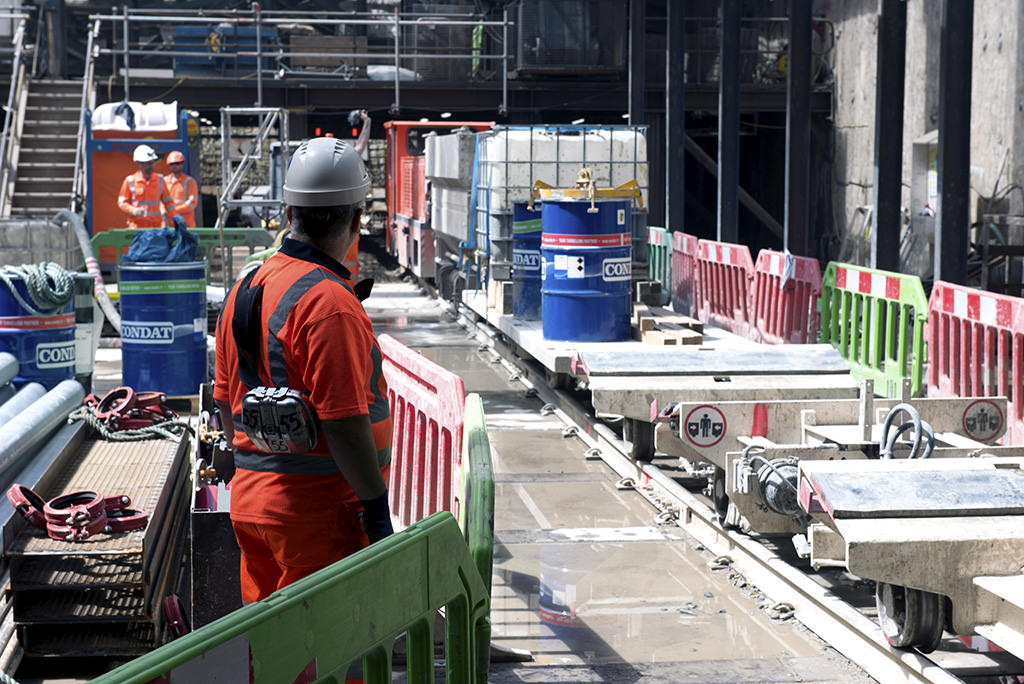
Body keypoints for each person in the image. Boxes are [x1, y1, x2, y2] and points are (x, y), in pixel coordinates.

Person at [213, 136, 393, 604]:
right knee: (333, 661)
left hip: (252, 506)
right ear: (357, 218)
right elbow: (345, 423)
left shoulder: (245, 287)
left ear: (289, 212)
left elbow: (224, 406)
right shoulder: (330, 304)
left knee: (275, 654)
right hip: (318, 516)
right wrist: (376, 513)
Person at [117, 144, 176, 229]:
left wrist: (175, 217)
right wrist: (133, 210)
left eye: (152, 163)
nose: (151, 166)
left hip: (156, 227)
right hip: (136, 227)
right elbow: (122, 202)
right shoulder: (130, 181)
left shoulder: (160, 180)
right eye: (148, 163)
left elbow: (168, 203)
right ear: (139, 164)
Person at [164, 150, 199, 228]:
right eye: (172, 164)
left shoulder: (189, 181)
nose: (174, 166)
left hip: (186, 225)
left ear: (182, 164)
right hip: (169, 225)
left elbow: (192, 203)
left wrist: (174, 210)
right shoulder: (165, 181)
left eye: (177, 163)